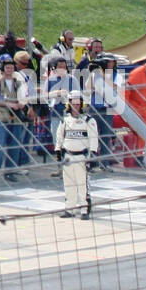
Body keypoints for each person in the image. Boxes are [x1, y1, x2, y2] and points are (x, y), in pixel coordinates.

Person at [0, 54, 30, 182]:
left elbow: (24, 96)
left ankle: (10, 171)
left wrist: (21, 104)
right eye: (7, 67)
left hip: (16, 115)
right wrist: (9, 104)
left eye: (11, 67)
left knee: (15, 143)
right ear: (3, 69)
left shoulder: (18, 82)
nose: (9, 70)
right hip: (2, 115)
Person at [54, 90, 97, 220]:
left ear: (82, 104)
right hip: (67, 156)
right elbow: (59, 137)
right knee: (68, 184)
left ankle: (84, 210)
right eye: (73, 104)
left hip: (81, 157)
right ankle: (70, 209)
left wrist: (93, 155)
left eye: (78, 104)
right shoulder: (64, 120)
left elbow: (93, 138)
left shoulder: (89, 120)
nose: (76, 106)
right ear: (69, 104)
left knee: (82, 185)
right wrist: (58, 151)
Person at [121, 56, 146, 161]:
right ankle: (136, 155)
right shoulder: (136, 74)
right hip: (134, 106)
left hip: (145, 107)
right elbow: (126, 91)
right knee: (138, 131)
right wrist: (127, 107)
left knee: (144, 132)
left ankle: (140, 154)